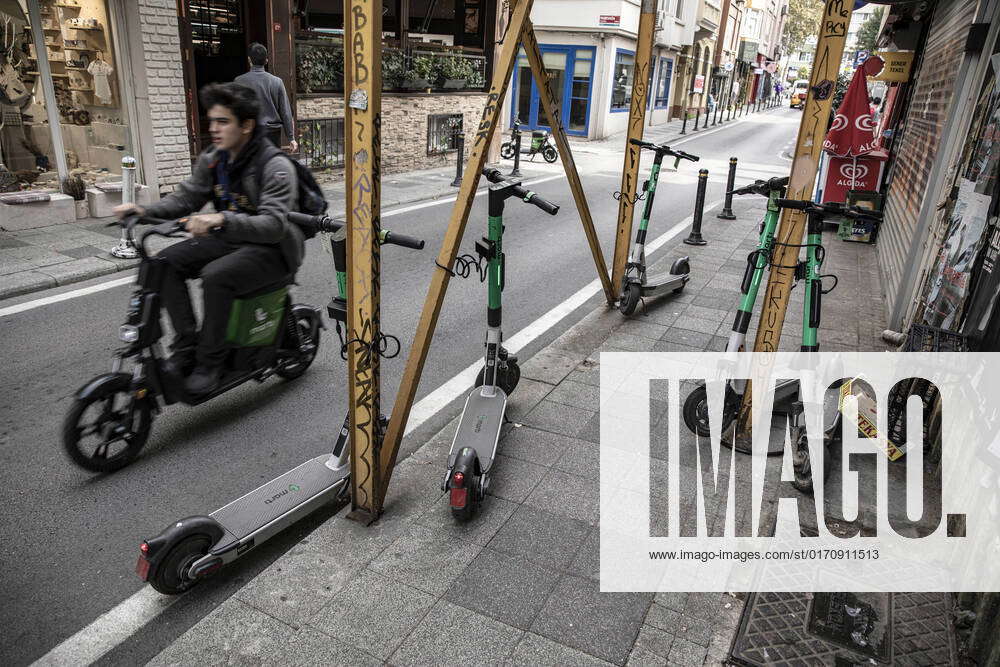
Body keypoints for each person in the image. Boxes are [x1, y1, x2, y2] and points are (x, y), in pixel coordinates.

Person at [113, 82, 304, 395]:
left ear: (246, 125)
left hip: (273, 249)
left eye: (223, 121)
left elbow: (273, 225)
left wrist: (219, 218)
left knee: (216, 277)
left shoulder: (275, 166)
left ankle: (210, 363)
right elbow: (185, 200)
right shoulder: (214, 159)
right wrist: (143, 211)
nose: (213, 129)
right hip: (232, 238)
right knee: (164, 262)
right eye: (211, 121)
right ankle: (187, 348)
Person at [234, 42, 297, 152]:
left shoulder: (239, 81)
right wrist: (291, 138)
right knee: (270, 165)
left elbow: (235, 110)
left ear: (249, 60)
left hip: (248, 133)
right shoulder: (277, 82)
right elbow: (285, 111)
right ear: (266, 61)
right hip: (272, 135)